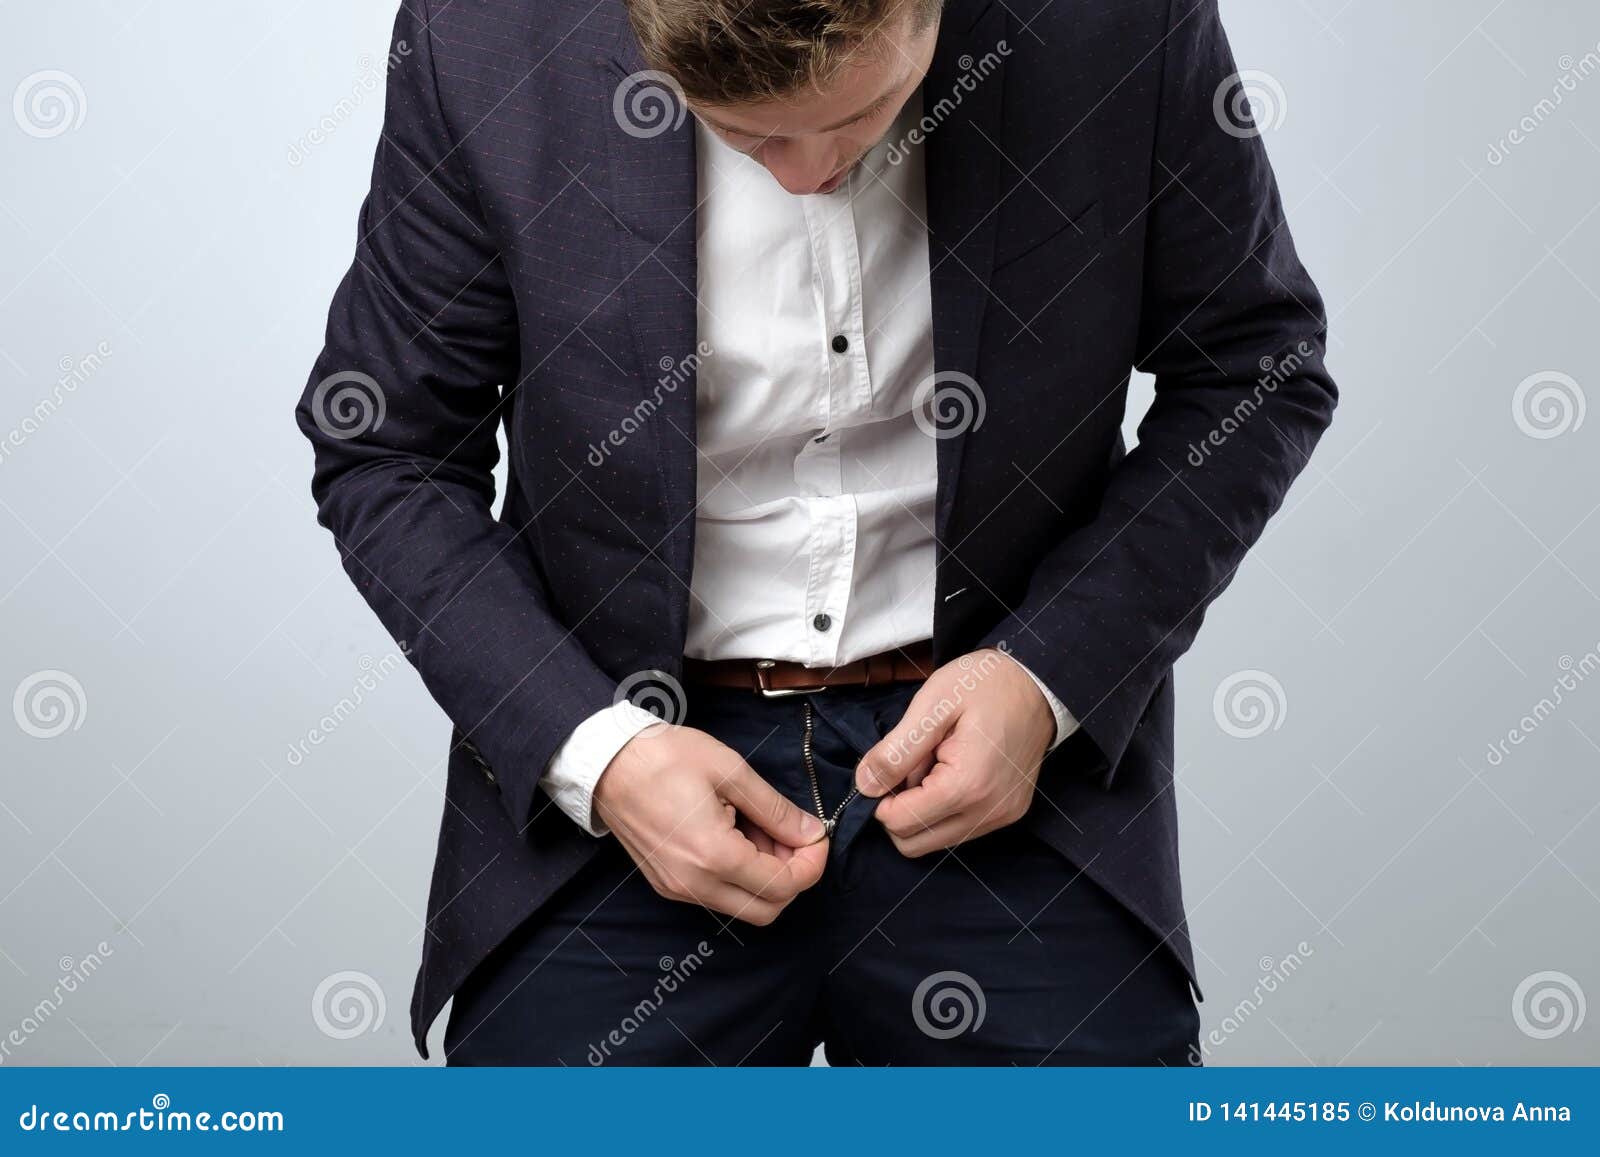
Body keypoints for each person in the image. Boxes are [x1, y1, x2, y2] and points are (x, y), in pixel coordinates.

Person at [295, 0, 1337, 1065]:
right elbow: (388, 451)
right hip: (626, 774)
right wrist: (598, 755)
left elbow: (1256, 369)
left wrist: (1046, 678)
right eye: (742, 135)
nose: (807, 177)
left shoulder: (1117, 20)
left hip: (1012, 765)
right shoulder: (485, 35)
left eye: (861, 116)